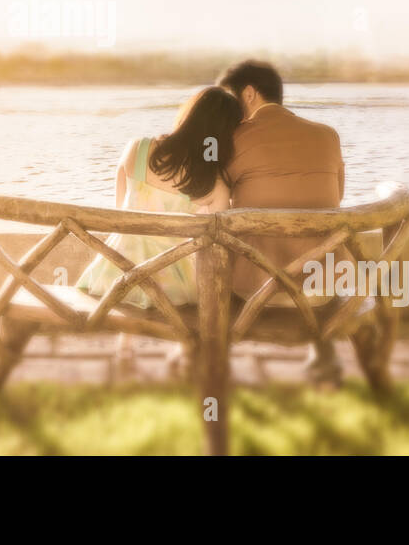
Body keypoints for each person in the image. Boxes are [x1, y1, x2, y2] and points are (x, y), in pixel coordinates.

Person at [76, 86, 241, 366]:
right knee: (196, 265)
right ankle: (186, 347)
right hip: (171, 284)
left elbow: (120, 213)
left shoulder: (137, 148)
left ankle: (126, 346)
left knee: (136, 250)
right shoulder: (215, 182)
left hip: (114, 273)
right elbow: (215, 245)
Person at [216, 59, 349, 388]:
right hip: (325, 288)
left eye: (228, 101)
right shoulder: (327, 136)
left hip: (252, 293)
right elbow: (336, 198)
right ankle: (323, 351)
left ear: (248, 94)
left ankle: (207, 361)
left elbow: (215, 200)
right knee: (315, 241)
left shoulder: (233, 139)